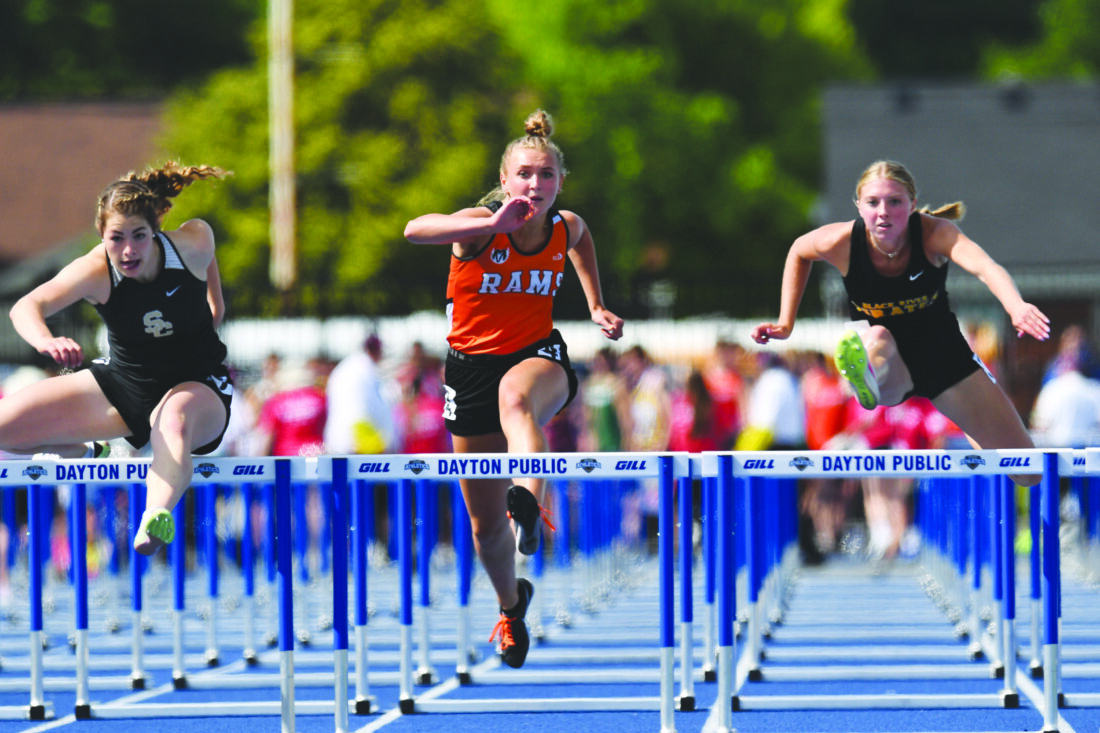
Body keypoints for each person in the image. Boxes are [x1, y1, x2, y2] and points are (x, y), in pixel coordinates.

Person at [403, 109, 624, 668]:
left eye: (545, 175)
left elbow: (583, 242)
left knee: (517, 400)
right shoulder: (480, 224)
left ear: (559, 184)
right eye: (524, 174)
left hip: (536, 357)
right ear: (504, 179)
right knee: (482, 526)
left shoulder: (565, 225)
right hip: (469, 370)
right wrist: (487, 227)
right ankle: (510, 604)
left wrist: (595, 303)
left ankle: (529, 495)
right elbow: (414, 230)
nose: (534, 185)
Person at [751, 159, 1049, 486]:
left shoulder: (935, 234)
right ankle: (862, 375)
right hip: (892, 366)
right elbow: (798, 251)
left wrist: (1015, 305)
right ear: (859, 207)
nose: (883, 211)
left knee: (1028, 472)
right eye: (873, 202)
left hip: (946, 363)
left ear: (912, 206)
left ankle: (967, 420)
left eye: (894, 202)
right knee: (877, 334)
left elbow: (985, 267)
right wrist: (786, 322)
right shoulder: (841, 242)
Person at [1, 162, 234, 557]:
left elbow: (208, 248)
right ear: (102, 236)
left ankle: (156, 514)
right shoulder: (95, 270)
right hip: (125, 387)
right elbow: (27, 306)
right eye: (116, 238)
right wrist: (46, 340)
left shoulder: (191, 245)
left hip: (199, 387)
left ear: (156, 230)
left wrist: (216, 303)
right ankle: (89, 450)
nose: (128, 251)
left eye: (139, 237)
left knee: (172, 418)